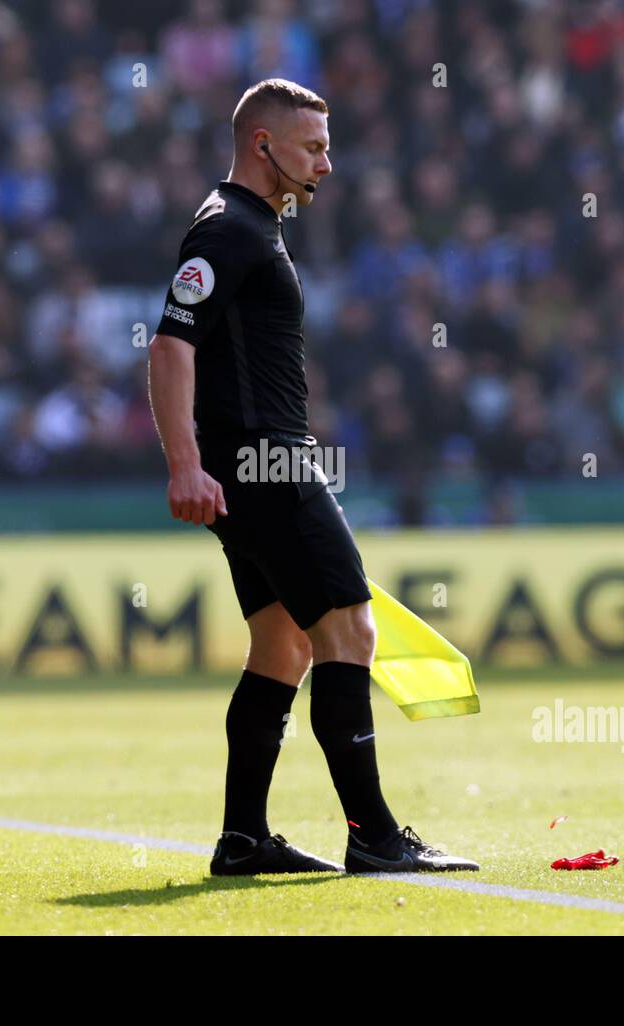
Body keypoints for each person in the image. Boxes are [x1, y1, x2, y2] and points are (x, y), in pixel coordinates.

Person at [147, 78, 478, 875]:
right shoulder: (229, 229)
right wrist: (184, 464)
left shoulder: (250, 225)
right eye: (314, 147)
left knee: (283, 643)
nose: (328, 163)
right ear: (263, 145)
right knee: (348, 629)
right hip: (264, 464)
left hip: (252, 462)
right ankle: (374, 834)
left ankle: (243, 839)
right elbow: (168, 345)